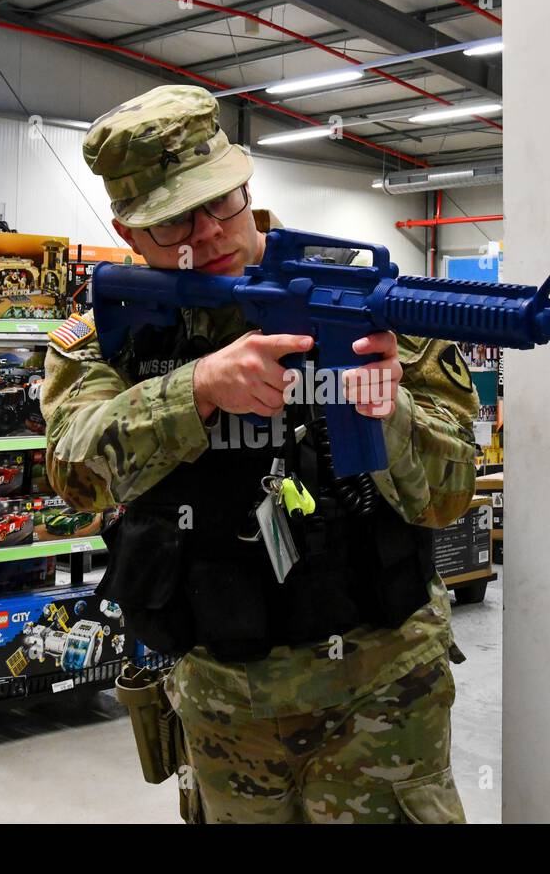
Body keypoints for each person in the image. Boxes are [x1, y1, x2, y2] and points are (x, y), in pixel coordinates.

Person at [42, 84, 480, 823]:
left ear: (247, 185)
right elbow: (76, 473)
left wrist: (389, 411)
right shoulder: (114, 331)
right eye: (174, 219)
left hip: (385, 692)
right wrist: (196, 389)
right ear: (127, 232)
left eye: (222, 203)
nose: (209, 231)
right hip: (225, 704)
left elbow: (452, 491)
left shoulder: (365, 298)